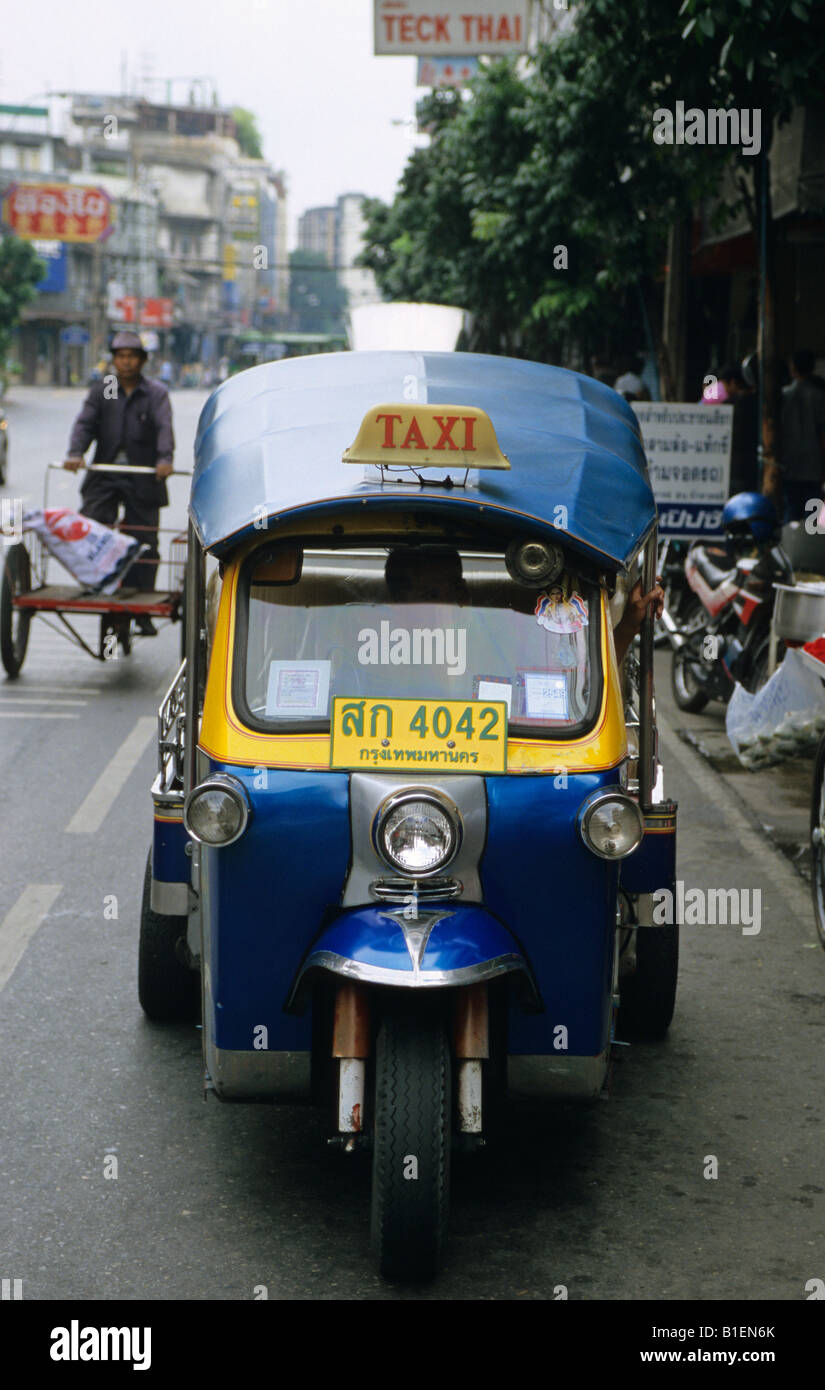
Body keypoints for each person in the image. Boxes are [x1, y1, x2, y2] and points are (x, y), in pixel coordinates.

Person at [63, 330, 175, 636]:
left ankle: (141, 609)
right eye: (120, 356)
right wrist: (75, 453)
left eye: (132, 356)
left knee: (146, 541)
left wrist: (165, 459)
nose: (126, 362)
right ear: (114, 360)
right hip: (106, 472)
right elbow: (86, 423)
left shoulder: (154, 393)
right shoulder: (107, 388)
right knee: (93, 527)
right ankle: (101, 584)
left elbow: (165, 427)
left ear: (142, 361)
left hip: (143, 475)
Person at [781, 349, 825, 522]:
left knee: (791, 510)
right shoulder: (820, 396)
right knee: (812, 512)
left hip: (788, 462)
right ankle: (809, 545)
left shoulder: (783, 395)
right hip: (813, 463)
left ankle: (790, 545)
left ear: (792, 368)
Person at [716, 361, 759, 496]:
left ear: (733, 382)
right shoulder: (760, 404)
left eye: (723, 385)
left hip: (731, 471)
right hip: (754, 470)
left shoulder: (726, 407)